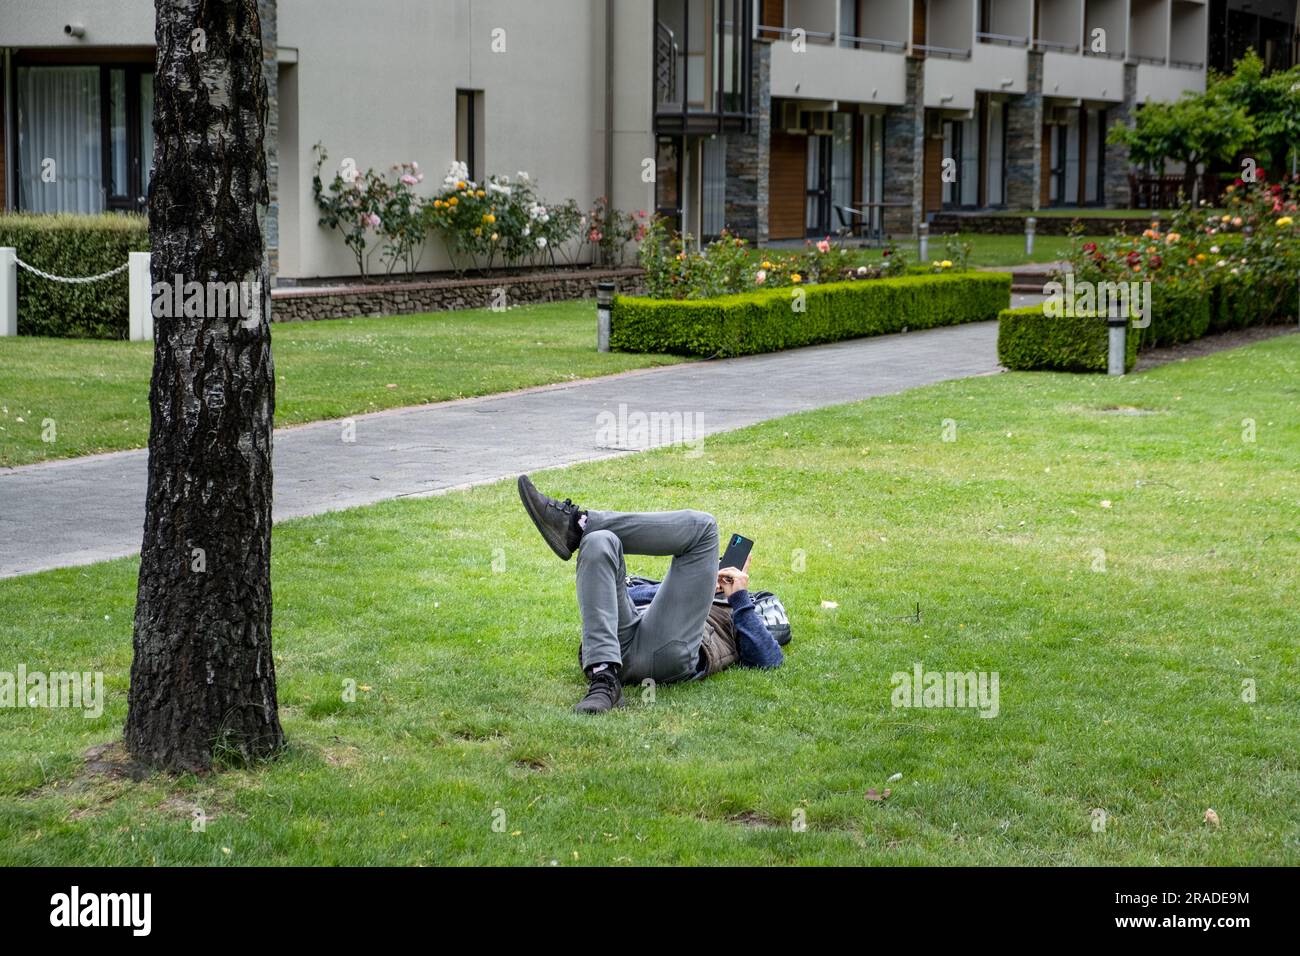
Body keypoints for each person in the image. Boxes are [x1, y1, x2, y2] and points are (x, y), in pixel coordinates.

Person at [517, 475, 784, 714]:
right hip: (617, 646)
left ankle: (577, 524)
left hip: (668, 651)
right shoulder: (657, 586)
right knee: (599, 541)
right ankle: (604, 680)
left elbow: (768, 659)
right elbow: (606, 595)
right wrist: (699, 584)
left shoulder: (744, 605)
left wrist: (739, 599)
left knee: (704, 527)